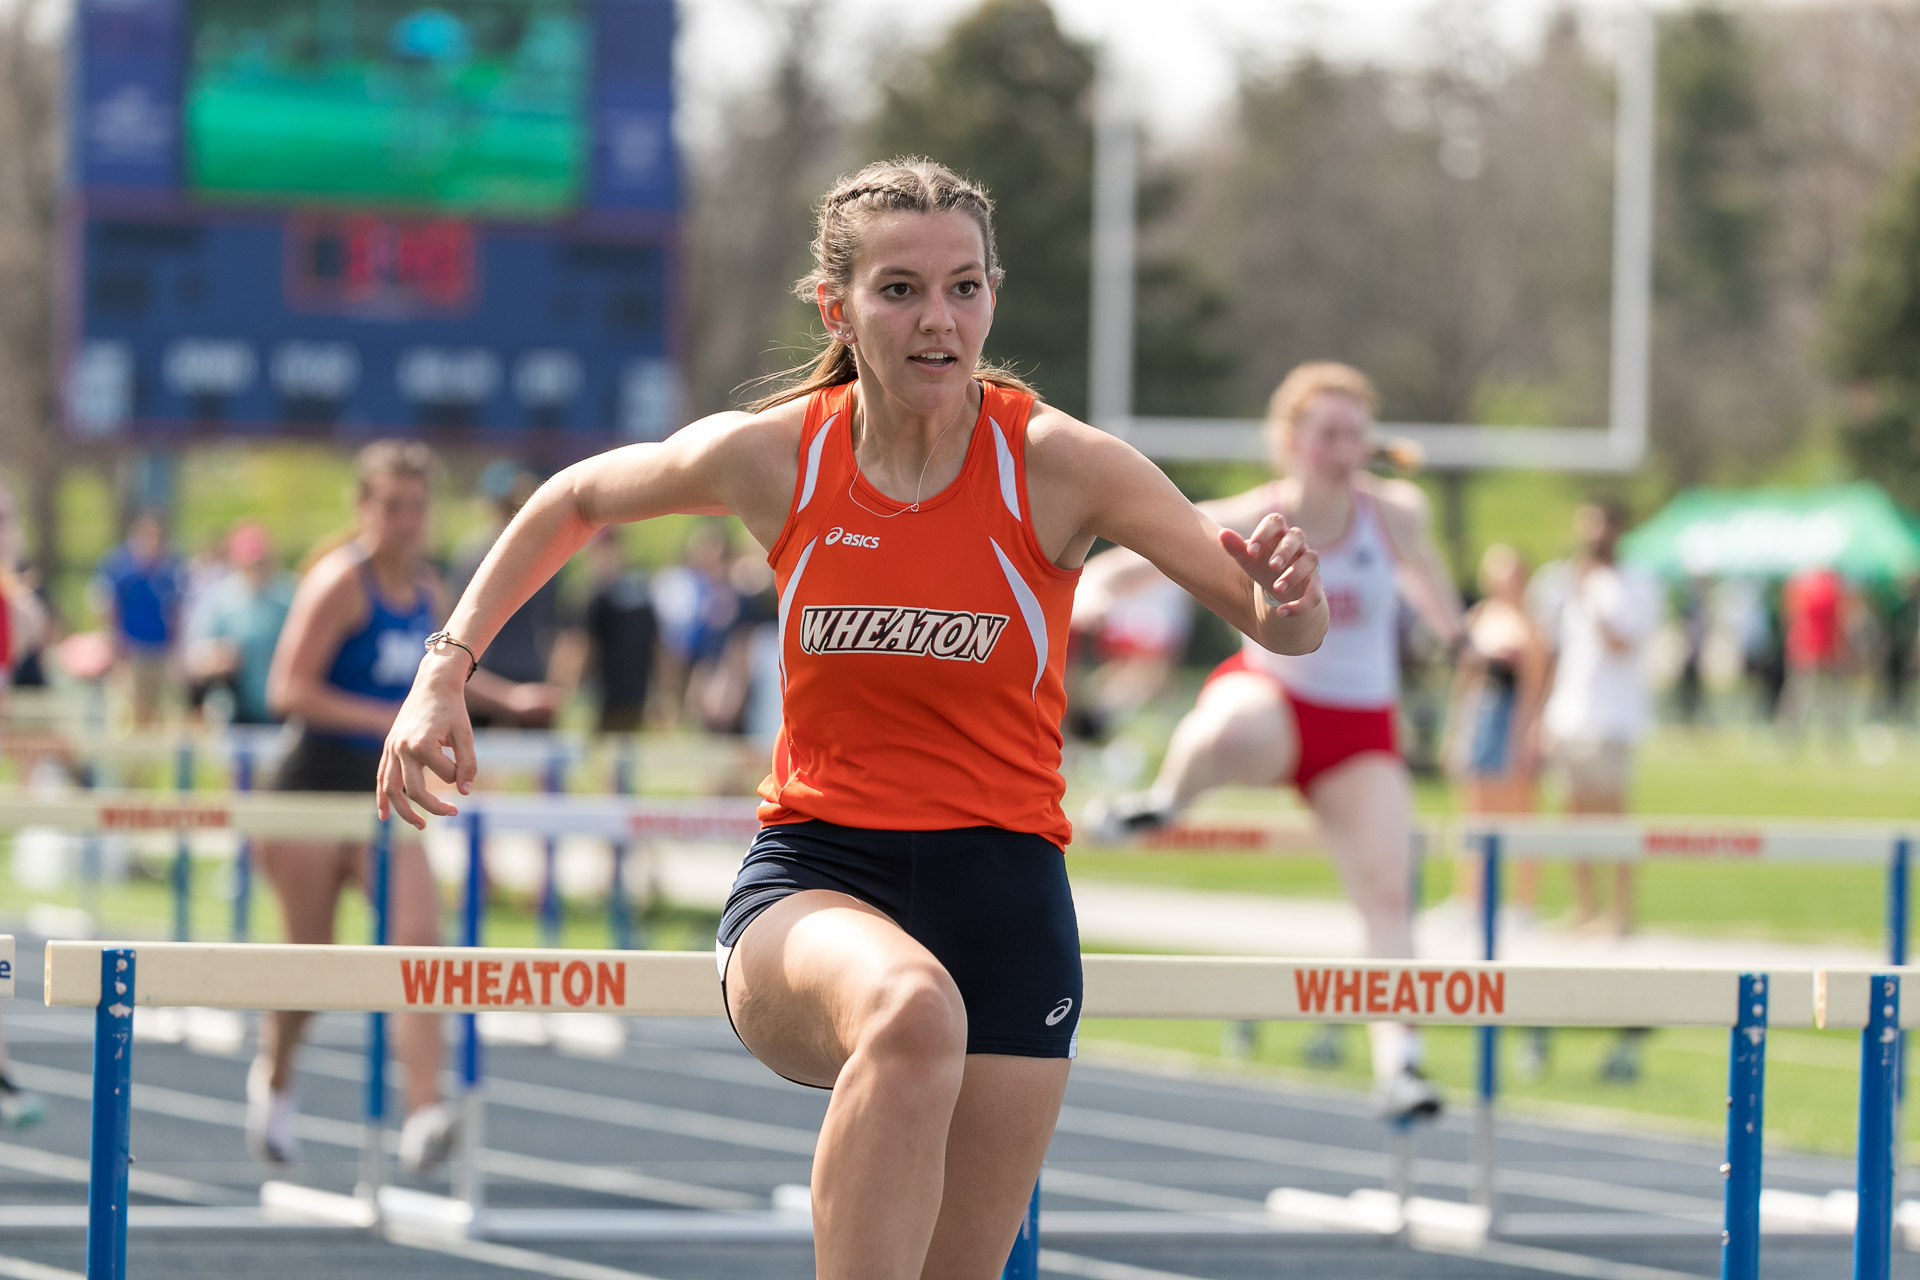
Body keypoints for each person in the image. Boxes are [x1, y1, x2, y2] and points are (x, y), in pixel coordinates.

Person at [377, 156, 1327, 1275]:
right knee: (913, 1006)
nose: (939, 320)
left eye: (964, 288)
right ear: (839, 306)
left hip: (1007, 898)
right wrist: (446, 666)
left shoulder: (1058, 464)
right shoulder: (784, 453)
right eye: (901, 290)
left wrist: (1293, 596)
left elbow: (1273, 622)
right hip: (818, 878)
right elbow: (574, 498)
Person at [1077, 361, 1462, 1120]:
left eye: (1356, 434)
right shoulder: (1252, 513)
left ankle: (1402, 1066)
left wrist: (1467, 641)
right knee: (1224, 727)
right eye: (1328, 433)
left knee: (1390, 891)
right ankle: (1165, 801)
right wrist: (1090, 599)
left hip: (1360, 731)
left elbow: (1433, 591)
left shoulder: (1398, 513)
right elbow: (1140, 560)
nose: (1343, 448)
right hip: (1276, 705)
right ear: (1290, 439)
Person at [250, 440, 555, 1171]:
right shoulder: (338, 582)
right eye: (391, 506)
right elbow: (287, 690)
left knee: (418, 943)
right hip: (308, 795)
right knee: (310, 965)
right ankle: (278, 1081)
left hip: (384, 795)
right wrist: (385, 720)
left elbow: (434, 675)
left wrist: (509, 698)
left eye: (417, 507)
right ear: (363, 510)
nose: (406, 520)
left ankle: (425, 1109)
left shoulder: (425, 591)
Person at [1444, 543, 1552, 1080]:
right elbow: (1465, 677)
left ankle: (1522, 901)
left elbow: (1534, 684)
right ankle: (1469, 897)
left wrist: (1525, 735)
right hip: (1482, 711)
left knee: (1517, 816)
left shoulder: (1525, 624)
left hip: (1510, 713)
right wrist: (1454, 727)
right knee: (1475, 815)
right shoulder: (1481, 617)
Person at [452, 462, 566, 729]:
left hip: (483, 671)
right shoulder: (547, 554)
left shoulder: (470, 554)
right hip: (527, 670)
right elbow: (553, 627)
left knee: (474, 763)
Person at [186, 524, 294, 727]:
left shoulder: (289, 596)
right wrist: (218, 658)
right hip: (237, 706)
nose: (257, 569)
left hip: (282, 708)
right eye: (251, 564)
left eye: (261, 562)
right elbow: (196, 657)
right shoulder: (220, 601)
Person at [92, 510, 183, 728]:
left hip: (158, 648)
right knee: (130, 708)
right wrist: (113, 642)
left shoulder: (167, 569)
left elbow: (174, 610)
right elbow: (106, 604)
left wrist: (175, 647)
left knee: (156, 708)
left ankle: (148, 758)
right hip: (130, 649)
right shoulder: (120, 566)